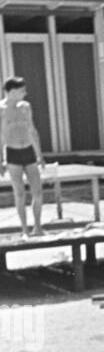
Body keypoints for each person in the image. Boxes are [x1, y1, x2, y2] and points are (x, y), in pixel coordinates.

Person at [0, 76, 45, 236]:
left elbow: (32, 131)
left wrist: (40, 155)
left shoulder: (26, 106)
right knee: (19, 193)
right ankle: (25, 229)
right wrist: (1, 160)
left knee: (38, 192)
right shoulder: (1, 110)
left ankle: (38, 227)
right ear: (11, 92)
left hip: (28, 151)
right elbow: (1, 136)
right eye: (22, 91)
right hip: (12, 153)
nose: (25, 94)